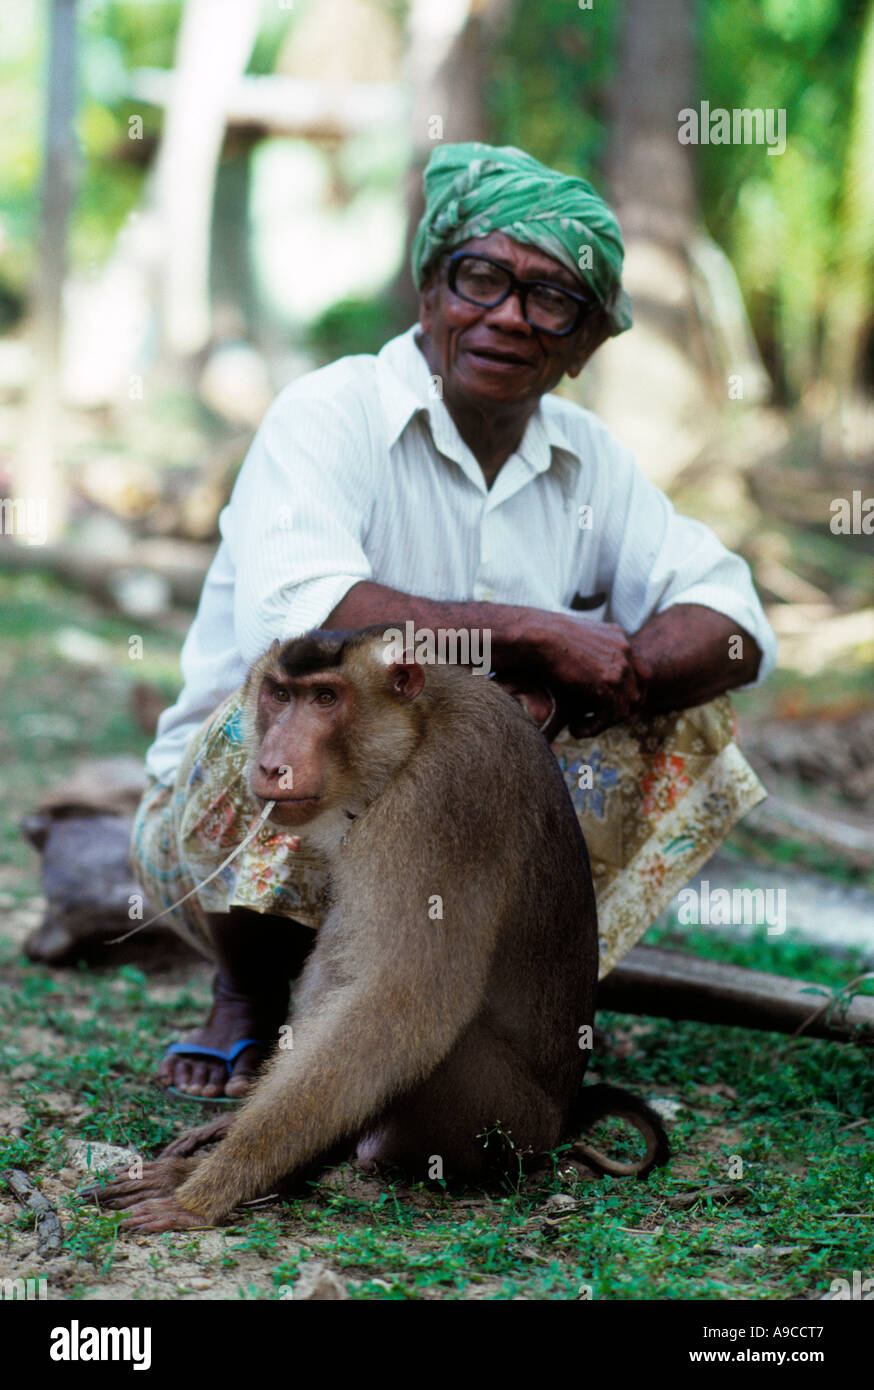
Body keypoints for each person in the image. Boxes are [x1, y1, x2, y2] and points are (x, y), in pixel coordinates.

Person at [134, 142, 776, 1100]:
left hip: (448, 824)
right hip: (235, 815)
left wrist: (605, 682)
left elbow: (734, 622)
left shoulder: (589, 461)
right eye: (482, 278)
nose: (510, 316)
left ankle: (468, 989)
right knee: (302, 697)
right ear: (430, 291)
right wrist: (543, 638)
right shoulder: (330, 413)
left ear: (587, 341)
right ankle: (249, 993)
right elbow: (307, 618)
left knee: (687, 707)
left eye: (551, 299)